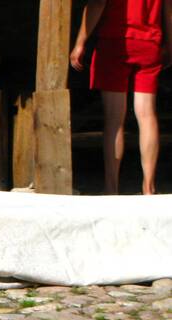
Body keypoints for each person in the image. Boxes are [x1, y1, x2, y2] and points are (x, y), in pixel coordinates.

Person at [71, 0, 172, 194]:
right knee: (147, 115)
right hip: (149, 43)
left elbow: (98, 3)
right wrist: (170, 45)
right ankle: (149, 187)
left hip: (115, 42)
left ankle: (111, 188)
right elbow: (168, 9)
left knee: (114, 119)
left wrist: (80, 42)